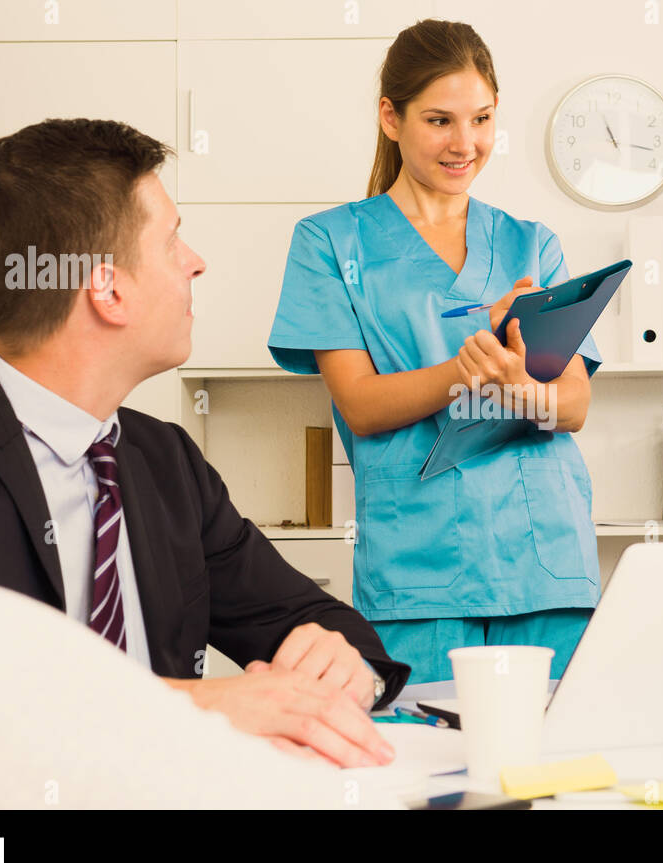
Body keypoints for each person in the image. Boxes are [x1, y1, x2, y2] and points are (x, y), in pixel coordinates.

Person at [0, 86, 403, 806]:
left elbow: (323, 625)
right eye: (173, 238)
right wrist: (192, 706)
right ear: (106, 291)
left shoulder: (164, 460)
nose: (195, 262)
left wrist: (345, 665)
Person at [267, 19, 599, 684]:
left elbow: (573, 406)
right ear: (390, 118)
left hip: (547, 561)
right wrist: (467, 370)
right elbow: (360, 405)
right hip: (420, 572)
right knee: (424, 770)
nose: (465, 143)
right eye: (439, 120)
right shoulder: (330, 243)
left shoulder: (531, 244)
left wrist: (517, 380)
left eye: (481, 119)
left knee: (557, 768)